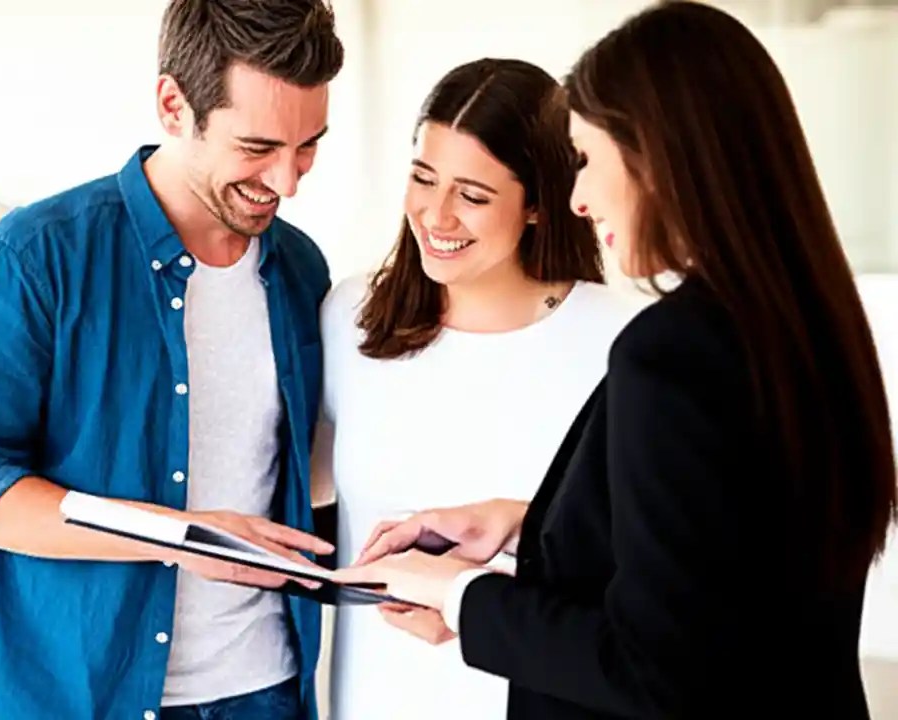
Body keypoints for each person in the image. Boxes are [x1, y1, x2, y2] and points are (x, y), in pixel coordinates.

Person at [336, 3, 897, 718]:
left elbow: (655, 667)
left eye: (586, 161)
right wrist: (526, 523)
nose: (575, 198)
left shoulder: (667, 352)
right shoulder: (805, 328)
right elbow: (728, 555)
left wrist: (461, 593)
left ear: (656, 161)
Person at [0, 1, 344, 718]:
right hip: (74, 696)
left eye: (308, 147)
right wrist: (175, 537)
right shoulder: (38, 254)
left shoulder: (299, 269)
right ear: (174, 105)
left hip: (262, 692)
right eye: (257, 147)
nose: (288, 181)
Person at [311, 58, 648, 720]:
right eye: (423, 178)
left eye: (473, 194)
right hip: (370, 699)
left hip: (542, 701)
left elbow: (644, 572)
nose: (436, 214)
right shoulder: (348, 316)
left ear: (538, 205)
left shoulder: (619, 340)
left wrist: (490, 581)